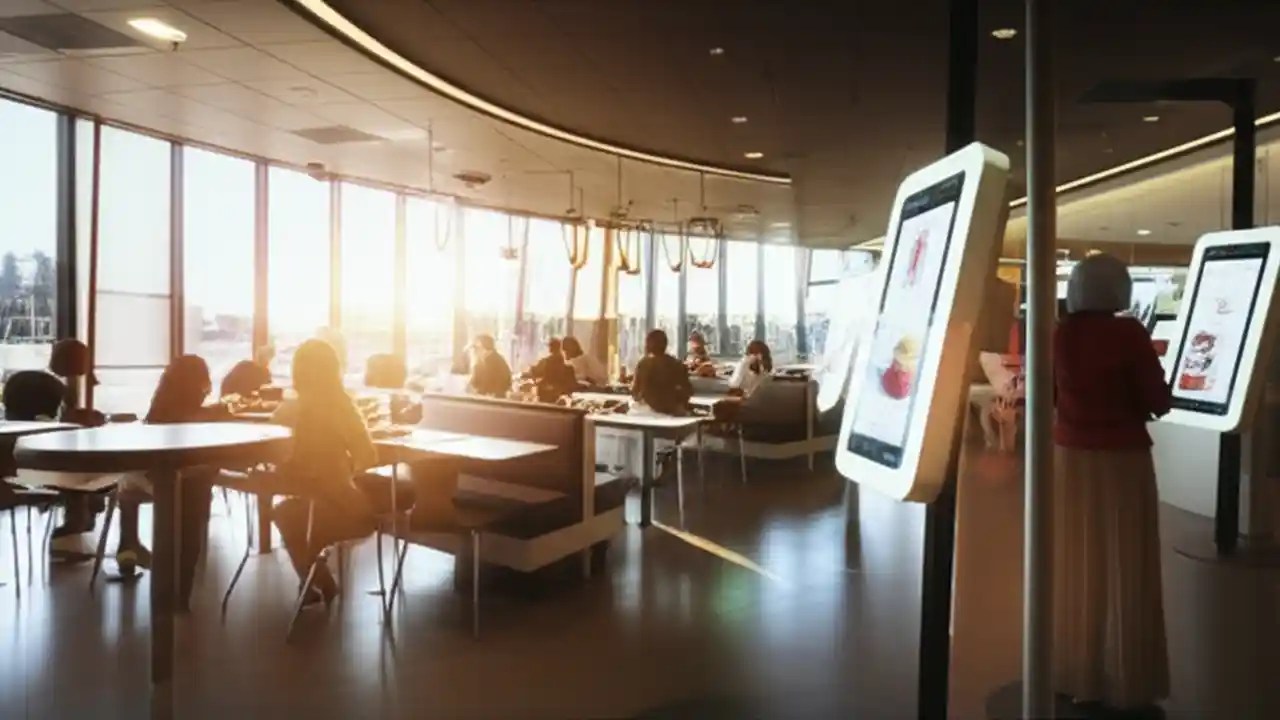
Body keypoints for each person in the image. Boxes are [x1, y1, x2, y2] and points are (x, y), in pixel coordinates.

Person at [1052, 252, 1171, 711]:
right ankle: (1126, 677)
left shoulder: (1063, 334)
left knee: (1076, 558)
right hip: (1123, 457)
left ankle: (1073, 667)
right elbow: (1156, 398)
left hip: (1070, 455)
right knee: (1127, 559)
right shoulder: (1128, 333)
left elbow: (1054, 394)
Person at [270, 339, 380, 606]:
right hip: (344, 505)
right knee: (307, 518)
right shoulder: (342, 407)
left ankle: (316, 582)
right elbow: (369, 456)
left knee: (287, 514)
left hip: (310, 505)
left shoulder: (289, 409)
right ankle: (319, 582)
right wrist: (343, 465)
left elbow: (274, 451)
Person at [114, 356, 230, 595]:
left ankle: (129, 544)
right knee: (196, 487)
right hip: (186, 481)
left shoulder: (161, 406)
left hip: (153, 476)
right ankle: (180, 585)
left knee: (126, 484)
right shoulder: (206, 415)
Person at [631, 329, 692, 415]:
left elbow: (635, 393)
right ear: (665, 344)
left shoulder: (644, 364)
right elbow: (687, 391)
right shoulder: (676, 364)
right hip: (673, 411)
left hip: (648, 412)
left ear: (648, 345)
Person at [524, 337, 576, 402]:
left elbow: (536, 372)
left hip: (549, 392)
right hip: (560, 392)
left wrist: (531, 371)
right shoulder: (565, 362)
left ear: (551, 348)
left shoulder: (547, 361)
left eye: (549, 346)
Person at [467, 334, 512, 398]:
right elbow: (473, 384)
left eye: (476, 348)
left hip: (493, 403)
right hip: (486, 401)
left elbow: (486, 388)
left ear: (485, 349)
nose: (474, 351)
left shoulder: (496, 363)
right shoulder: (480, 363)